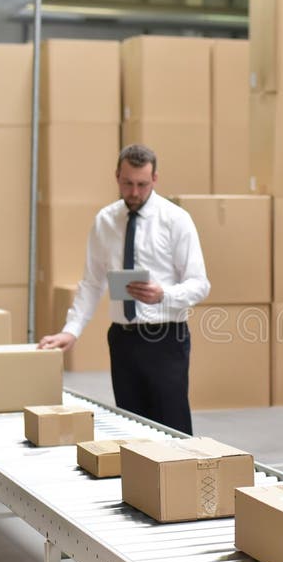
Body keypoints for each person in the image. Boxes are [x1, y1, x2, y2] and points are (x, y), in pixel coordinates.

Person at [38, 144, 210, 435]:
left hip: (165, 337)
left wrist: (164, 295)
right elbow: (92, 282)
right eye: (127, 183)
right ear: (117, 176)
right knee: (130, 428)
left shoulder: (175, 220)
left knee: (173, 428)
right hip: (123, 340)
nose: (134, 192)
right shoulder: (105, 221)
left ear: (155, 179)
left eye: (142, 185)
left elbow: (200, 284)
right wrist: (72, 330)